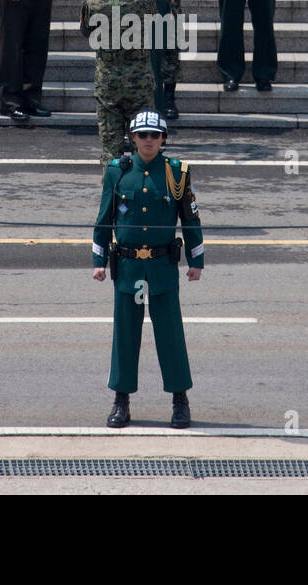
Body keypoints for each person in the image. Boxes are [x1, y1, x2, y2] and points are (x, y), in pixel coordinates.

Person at [92, 111, 204, 429]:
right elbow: (105, 218)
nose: (149, 140)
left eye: (155, 135)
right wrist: (99, 261)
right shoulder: (117, 172)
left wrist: (196, 261)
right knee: (125, 337)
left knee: (170, 336)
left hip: (161, 266)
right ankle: (121, 401)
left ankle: (180, 401)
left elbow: (190, 218)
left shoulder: (176, 172)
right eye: (142, 135)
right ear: (133, 138)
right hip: (127, 267)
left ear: (163, 139)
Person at [80, 0, 158, 166]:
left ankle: (112, 197)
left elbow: (86, 31)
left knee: (110, 152)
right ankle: (144, 198)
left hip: (108, 86)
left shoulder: (93, 3)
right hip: (140, 86)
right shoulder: (145, 1)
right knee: (144, 151)